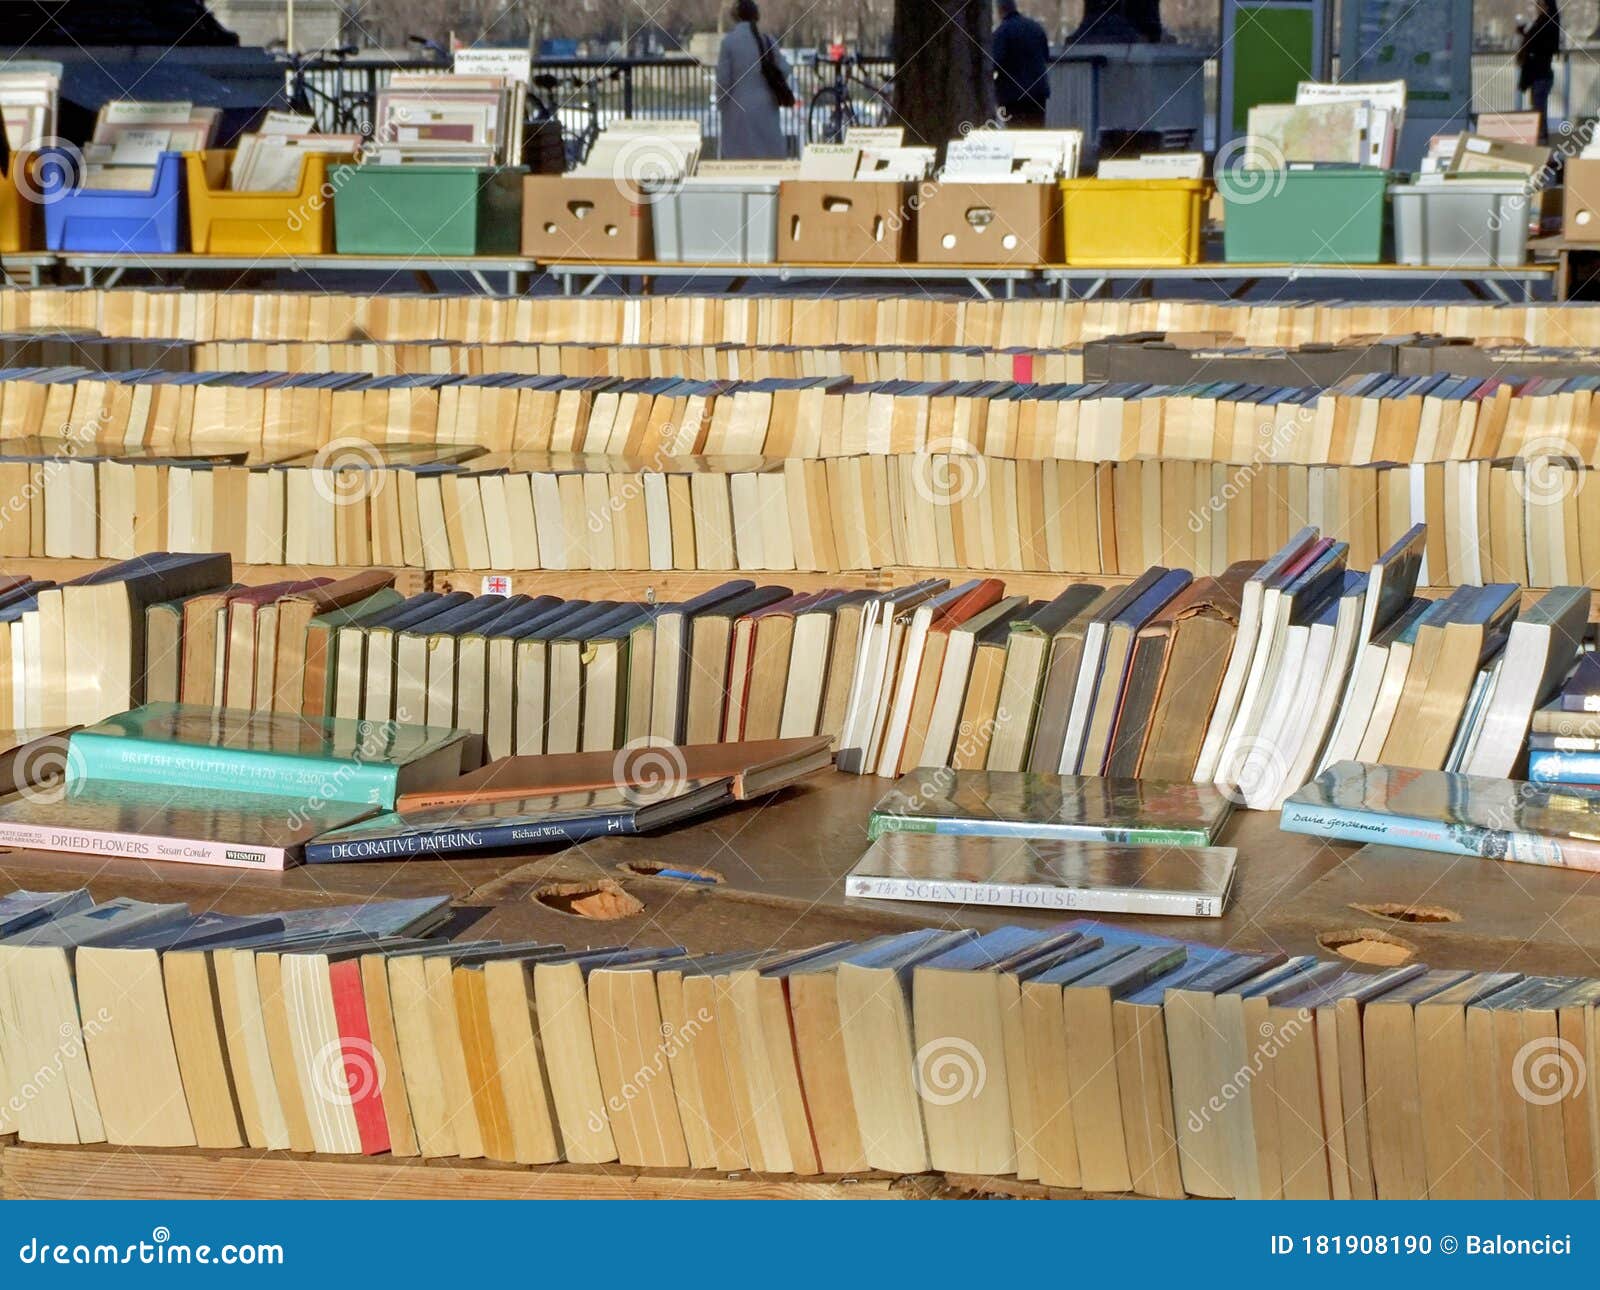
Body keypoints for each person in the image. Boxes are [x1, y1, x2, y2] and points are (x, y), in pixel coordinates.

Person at [716, 0, 792, 160]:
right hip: (766, 106)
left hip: (737, 107)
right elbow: (785, 68)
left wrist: (721, 104)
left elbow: (723, 80)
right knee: (767, 158)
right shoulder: (767, 40)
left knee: (739, 160)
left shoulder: (729, 43)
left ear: (735, 17)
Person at [991, 0, 1052, 129]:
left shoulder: (1002, 32)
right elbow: (1046, 55)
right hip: (1038, 92)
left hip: (1012, 95)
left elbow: (995, 62)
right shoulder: (1036, 27)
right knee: (1036, 133)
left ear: (999, 10)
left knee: (1017, 134)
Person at [1518, 0, 1562, 142]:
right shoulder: (1543, 23)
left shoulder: (1547, 24)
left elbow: (1538, 44)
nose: (1537, 8)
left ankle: (1541, 137)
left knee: (1539, 108)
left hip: (1540, 73)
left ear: (1546, 7)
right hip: (1539, 73)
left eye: (1540, 4)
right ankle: (1540, 136)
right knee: (1538, 107)